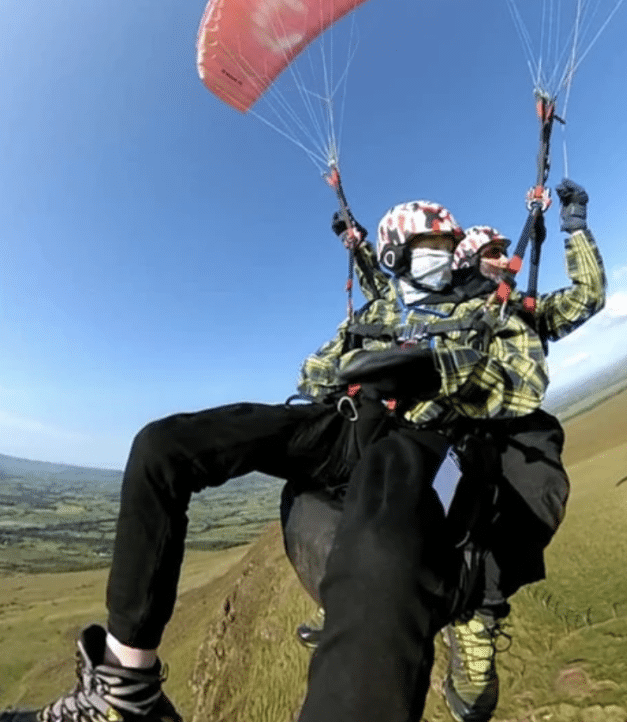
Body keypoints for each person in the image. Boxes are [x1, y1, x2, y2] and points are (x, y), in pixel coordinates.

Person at [37, 198, 533, 722]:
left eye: (450, 245)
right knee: (162, 446)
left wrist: (437, 370)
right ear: (397, 254)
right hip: (346, 421)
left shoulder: (484, 306)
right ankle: (126, 684)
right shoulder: (379, 310)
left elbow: (523, 385)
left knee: (378, 540)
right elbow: (312, 371)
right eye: (434, 243)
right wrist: (356, 364)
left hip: (424, 435)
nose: (447, 254)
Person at [283, 182, 606, 722]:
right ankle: (351, 596)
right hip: (427, 426)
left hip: (498, 430)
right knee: (362, 482)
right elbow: (390, 291)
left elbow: (583, 300)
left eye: (504, 252)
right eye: (490, 253)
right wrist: (359, 246)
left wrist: (575, 230)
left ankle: (478, 616)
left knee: (524, 493)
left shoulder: (515, 309)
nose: (503, 261)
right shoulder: (443, 304)